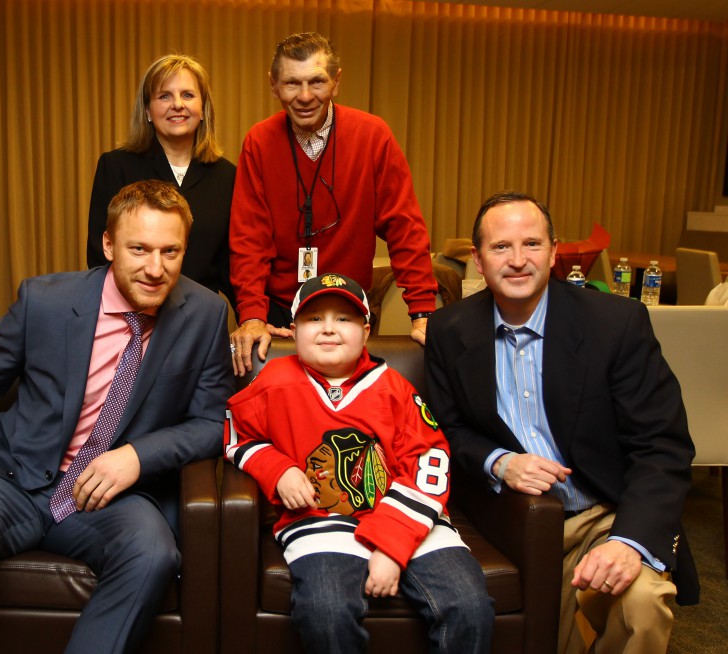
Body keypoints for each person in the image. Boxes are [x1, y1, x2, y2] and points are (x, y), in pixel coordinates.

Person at [0, 180, 235, 654]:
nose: (155, 268)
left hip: (110, 493)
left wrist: (136, 457)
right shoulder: (43, 300)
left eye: (171, 252)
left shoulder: (206, 313)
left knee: (153, 554)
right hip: (11, 473)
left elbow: (213, 423)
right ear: (108, 245)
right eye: (139, 249)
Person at [424, 191, 698, 654]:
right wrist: (499, 461)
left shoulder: (616, 323)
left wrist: (627, 541)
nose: (517, 260)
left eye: (532, 244)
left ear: (554, 252)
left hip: (604, 512)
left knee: (643, 604)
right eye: (500, 247)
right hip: (512, 517)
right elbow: (443, 429)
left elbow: (662, 446)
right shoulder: (449, 331)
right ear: (477, 259)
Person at [225, 272, 493, 653]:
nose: (329, 329)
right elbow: (238, 435)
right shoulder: (273, 381)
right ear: (293, 330)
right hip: (320, 522)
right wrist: (277, 468)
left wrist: (390, 545)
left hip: (409, 520)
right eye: (314, 319)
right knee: (325, 611)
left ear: (366, 332)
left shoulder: (394, 388)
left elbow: (429, 462)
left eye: (344, 319)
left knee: (468, 606)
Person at [229, 32, 437, 377]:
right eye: (292, 83)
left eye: (317, 82)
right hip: (281, 312)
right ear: (273, 85)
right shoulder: (259, 141)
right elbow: (248, 238)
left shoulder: (373, 135)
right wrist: (252, 315)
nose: (306, 96)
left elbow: (405, 227)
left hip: (349, 304)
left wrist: (422, 312)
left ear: (336, 82)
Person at [86, 54, 236, 303]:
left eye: (187, 95)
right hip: (133, 317)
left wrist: (252, 320)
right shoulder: (115, 166)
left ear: (202, 110)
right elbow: (99, 258)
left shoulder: (228, 176)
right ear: (147, 110)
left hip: (200, 320)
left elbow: (231, 266)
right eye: (164, 96)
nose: (177, 104)